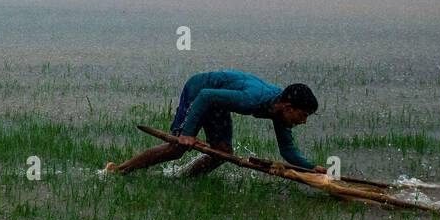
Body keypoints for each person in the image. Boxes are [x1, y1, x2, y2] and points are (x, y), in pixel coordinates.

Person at [105, 70, 323, 177]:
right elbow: (207, 95)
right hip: (200, 89)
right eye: (303, 115)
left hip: (217, 100)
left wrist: (312, 168)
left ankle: (182, 179)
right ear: (288, 107)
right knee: (177, 148)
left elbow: (287, 151)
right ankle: (119, 170)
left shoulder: (279, 112)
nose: (303, 122)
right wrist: (187, 133)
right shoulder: (252, 99)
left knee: (222, 151)